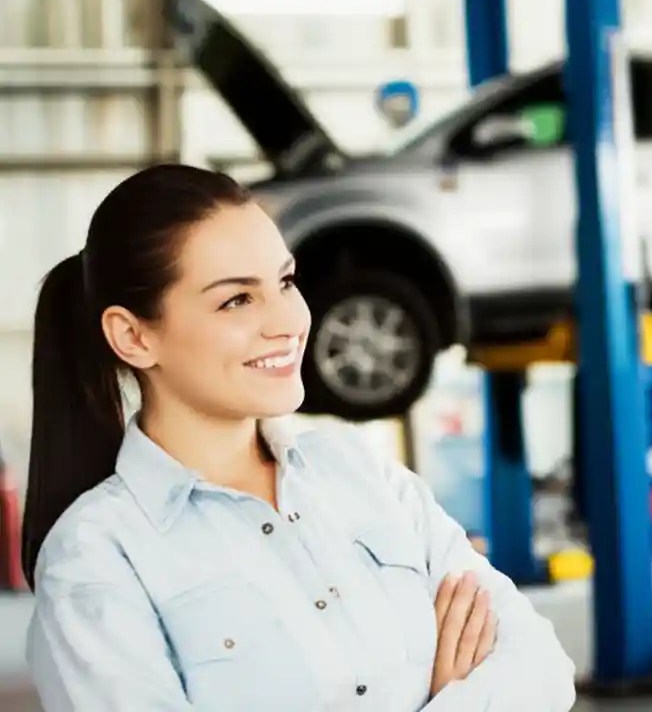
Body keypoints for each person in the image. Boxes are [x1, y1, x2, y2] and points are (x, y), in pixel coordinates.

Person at [21, 164, 577, 711]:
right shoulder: (96, 556)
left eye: (285, 282)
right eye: (236, 299)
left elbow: (541, 668)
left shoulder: (360, 472)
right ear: (134, 336)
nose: (288, 320)